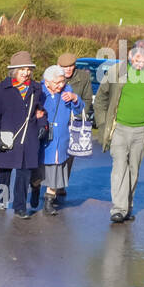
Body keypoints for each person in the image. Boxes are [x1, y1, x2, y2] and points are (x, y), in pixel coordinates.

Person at [93, 38, 144, 223]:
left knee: (133, 170)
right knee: (120, 167)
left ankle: (127, 206)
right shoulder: (116, 71)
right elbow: (101, 99)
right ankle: (118, 209)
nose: (139, 61)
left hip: (142, 130)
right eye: (136, 56)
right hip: (118, 128)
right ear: (130, 55)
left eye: (143, 58)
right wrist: (103, 123)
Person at [0, 51, 48, 219]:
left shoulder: (36, 89)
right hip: (7, 138)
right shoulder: (0, 90)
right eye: (22, 69)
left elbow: (40, 111)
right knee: (4, 172)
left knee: (24, 173)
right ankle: (2, 199)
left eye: (28, 69)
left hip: (28, 139)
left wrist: (43, 125)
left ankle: (20, 208)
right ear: (13, 71)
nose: (26, 73)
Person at [34, 64, 82, 216]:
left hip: (60, 137)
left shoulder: (67, 91)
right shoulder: (39, 92)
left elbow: (79, 109)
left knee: (56, 166)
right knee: (37, 169)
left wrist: (75, 99)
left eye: (63, 81)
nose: (61, 85)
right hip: (41, 136)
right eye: (57, 82)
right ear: (47, 82)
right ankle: (35, 188)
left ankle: (49, 200)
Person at [55, 51, 93, 200]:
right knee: (54, 153)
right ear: (58, 66)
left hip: (73, 121)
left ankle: (61, 184)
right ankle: (50, 182)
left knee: (69, 155)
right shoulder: (52, 75)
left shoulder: (83, 77)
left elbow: (88, 99)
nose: (68, 69)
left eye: (71, 66)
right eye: (65, 67)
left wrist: (79, 113)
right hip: (56, 120)